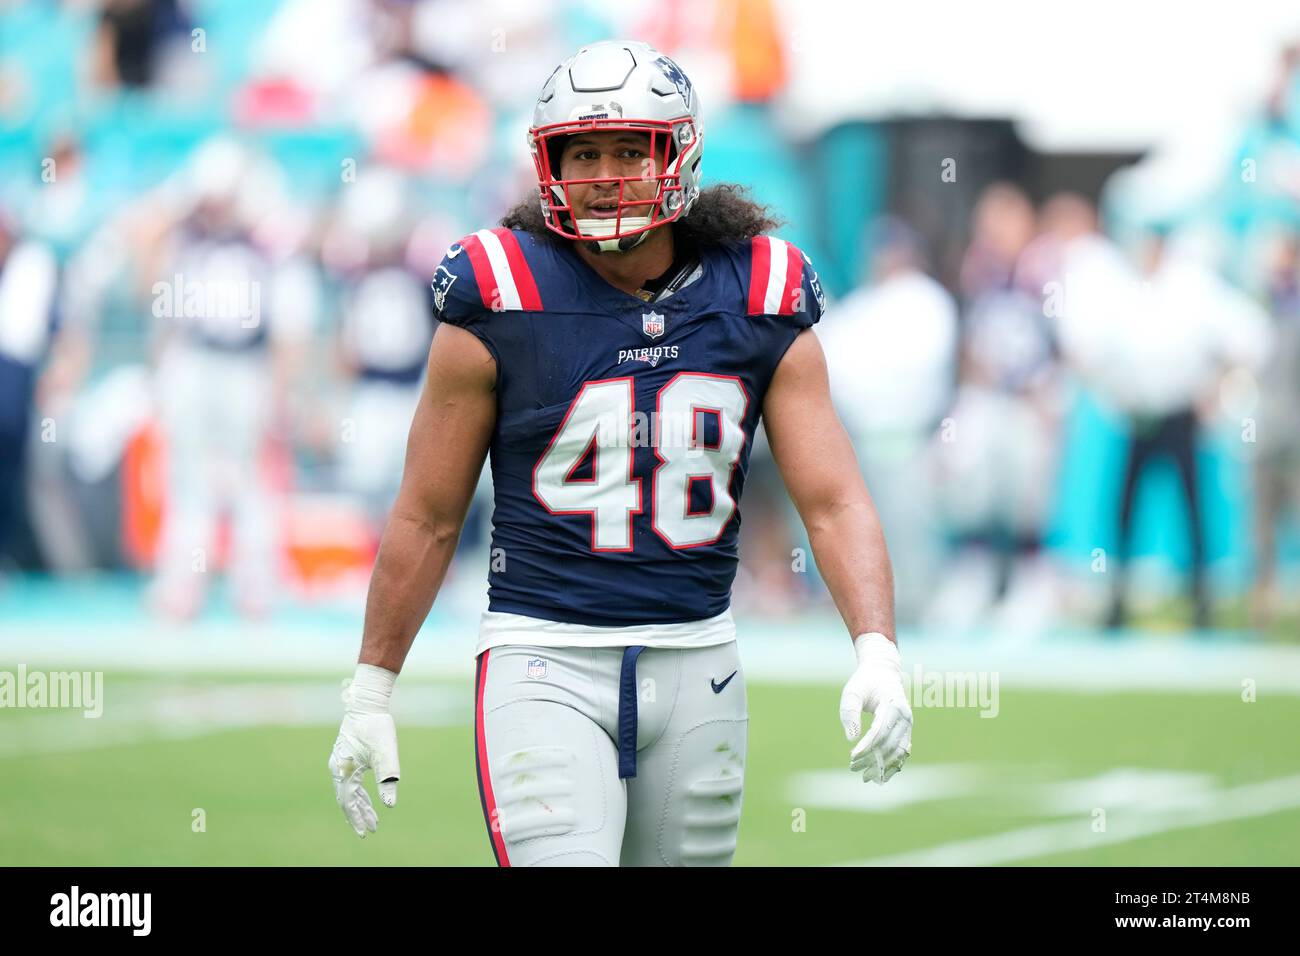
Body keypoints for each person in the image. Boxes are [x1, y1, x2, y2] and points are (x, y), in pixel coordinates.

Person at [328, 40, 911, 867]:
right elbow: (427, 514)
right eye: (583, 152)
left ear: (678, 155)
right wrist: (370, 691)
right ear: (547, 163)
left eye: (629, 150)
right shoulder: (501, 291)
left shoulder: (761, 290)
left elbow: (834, 500)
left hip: (699, 659)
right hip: (544, 656)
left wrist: (877, 652)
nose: (604, 173)